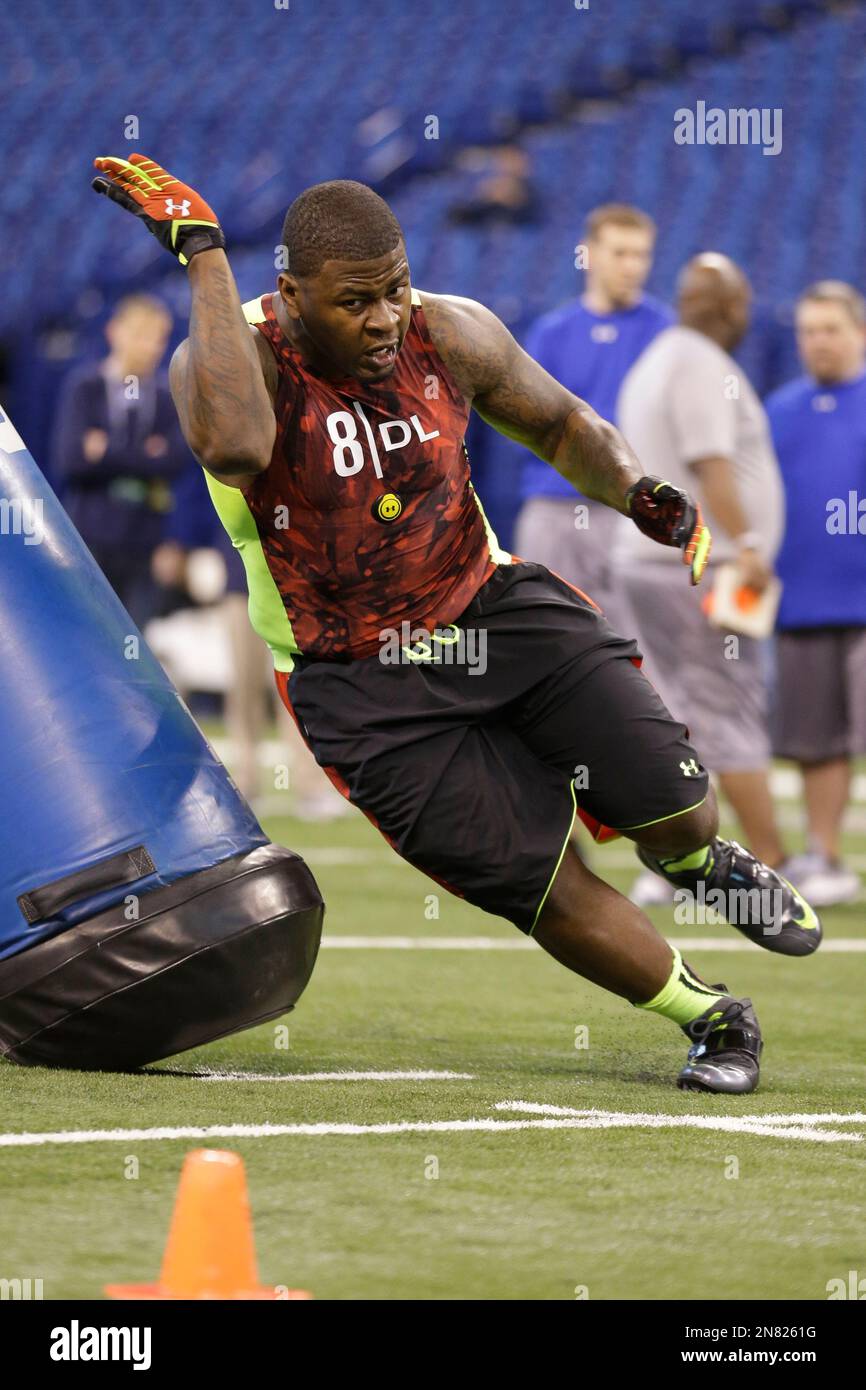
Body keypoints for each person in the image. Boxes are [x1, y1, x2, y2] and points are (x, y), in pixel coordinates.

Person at [92, 153, 822, 1096]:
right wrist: (202, 257)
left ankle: (692, 859)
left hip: (490, 606)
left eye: (394, 288)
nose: (386, 317)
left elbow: (560, 424)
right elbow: (235, 449)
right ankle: (712, 1016)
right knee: (540, 882)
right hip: (356, 681)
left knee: (679, 801)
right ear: (292, 295)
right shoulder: (234, 360)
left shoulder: (453, 331)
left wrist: (637, 489)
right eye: (355, 301)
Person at [616, 254, 794, 904]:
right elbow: (710, 463)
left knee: (680, 716)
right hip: (700, 565)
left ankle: (679, 862)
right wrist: (748, 544)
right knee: (729, 709)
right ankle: (772, 861)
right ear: (730, 309)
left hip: (658, 563)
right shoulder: (697, 365)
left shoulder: (661, 356)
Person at [511, 205, 672, 631]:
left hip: (628, 507)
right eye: (620, 253)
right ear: (589, 255)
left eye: (641, 255)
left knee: (629, 644)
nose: (632, 266)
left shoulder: (665, 333)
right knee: (544, 633)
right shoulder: (552, 332)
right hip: (553, 506)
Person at [764, 281, 866, 906]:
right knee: (815, 742)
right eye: (807, 330)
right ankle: (826, 858)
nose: (817, 341)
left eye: (830, 328)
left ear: (859, 332)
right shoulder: (778, 409)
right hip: (801, 602)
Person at [51, 294, 191, 629]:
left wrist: (105, 451)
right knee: (89, 637)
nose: (151, 347)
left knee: (136, 645)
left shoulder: (165, 396)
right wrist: (144, 454)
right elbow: (71, 460)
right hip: (91, 541)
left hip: (145, 543)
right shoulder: (85, 387)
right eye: (141, 335)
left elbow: (175, 462)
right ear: (114, 332)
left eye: (158, 337)